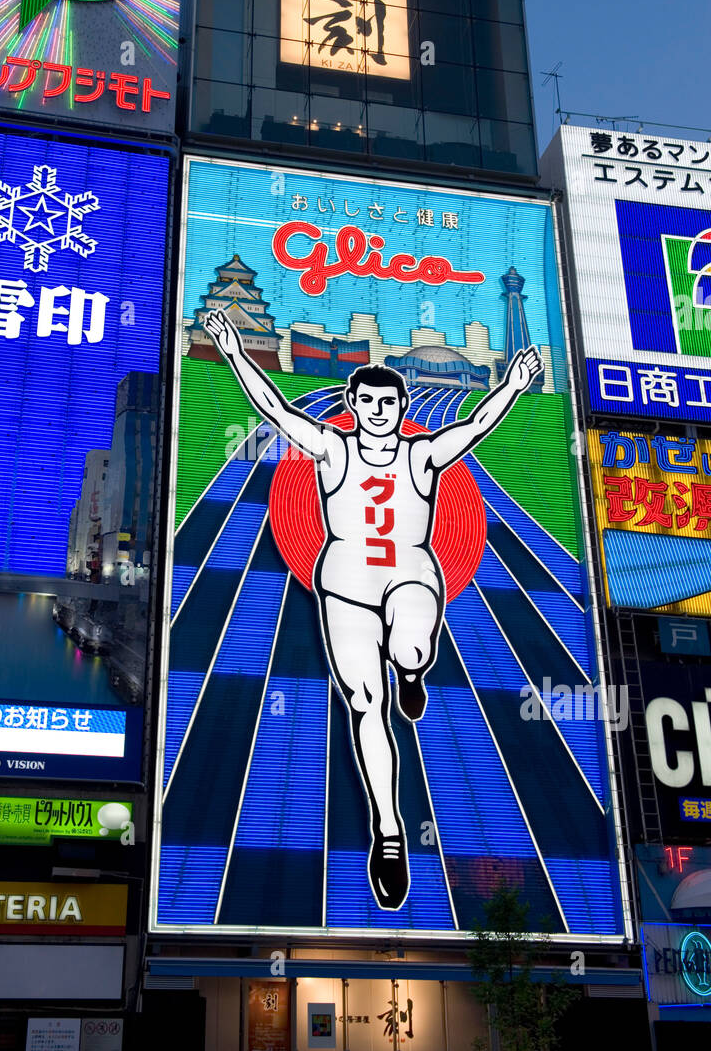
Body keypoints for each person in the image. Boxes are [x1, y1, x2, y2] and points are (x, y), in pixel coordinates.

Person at [205, 307, 543, 911]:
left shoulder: (421, 456)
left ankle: (412, 669)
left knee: (412, 645)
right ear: (356, 406)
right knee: (366, 702)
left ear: (401, 408)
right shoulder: (332, 451)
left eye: (390, 403)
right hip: (345, 584)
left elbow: (473, 427)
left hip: (410, 572)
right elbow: (278, 412)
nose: (380, 411)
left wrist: (513, 385)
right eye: (370, 402)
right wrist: (235, 353)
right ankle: (389, 832)